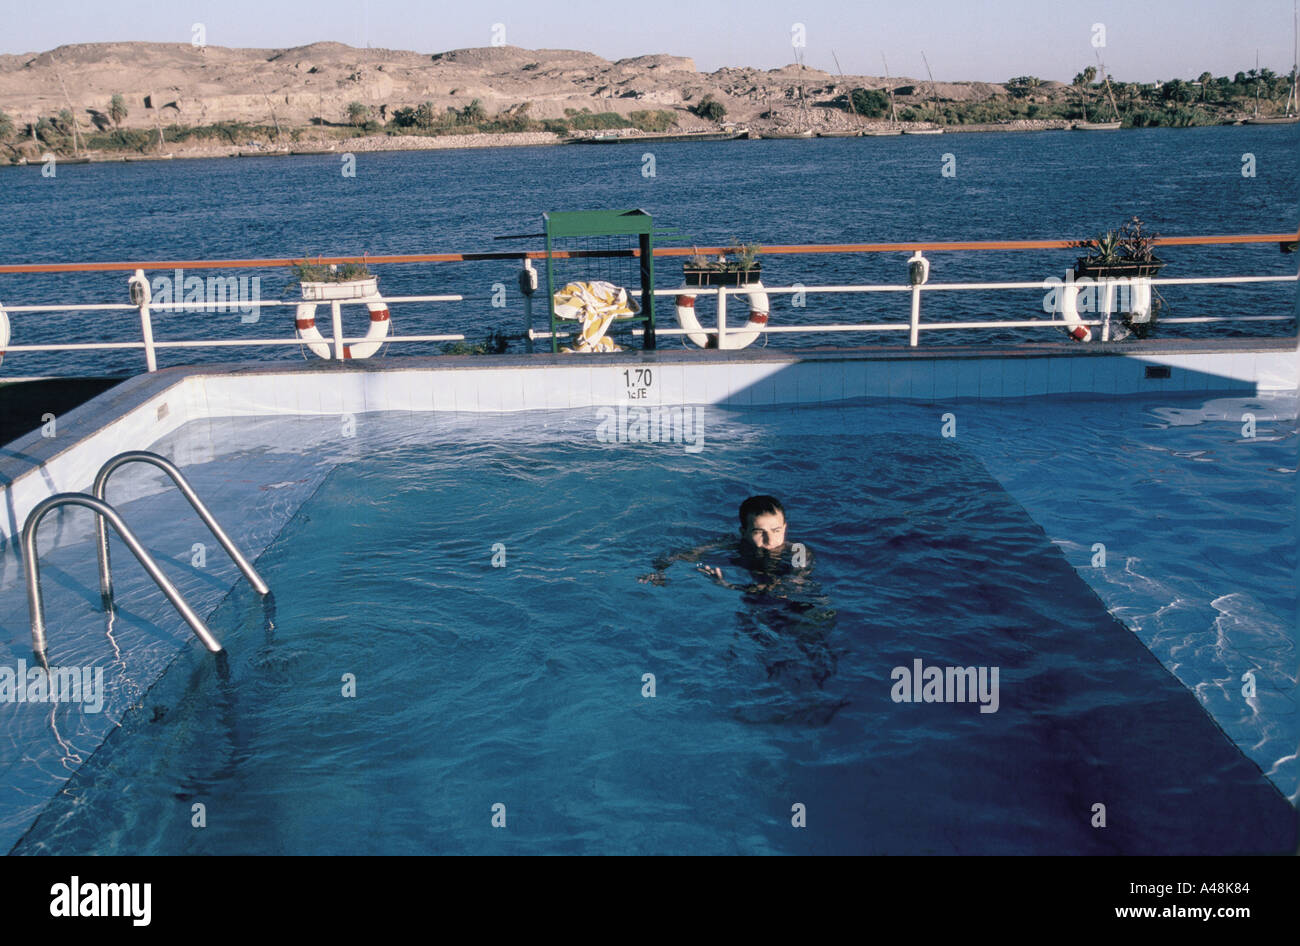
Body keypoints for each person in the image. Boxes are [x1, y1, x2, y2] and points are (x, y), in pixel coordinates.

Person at [638, 495, 813, 591]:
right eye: (759, 532)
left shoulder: (798, 551)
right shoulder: (732, 543)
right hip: (756, 598)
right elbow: (684, 555)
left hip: (799, 604)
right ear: (743, 532)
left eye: (776, 531)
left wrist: (727, 586)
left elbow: (793, 586)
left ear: (784, 528)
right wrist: (659, 572)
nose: (770, 540)